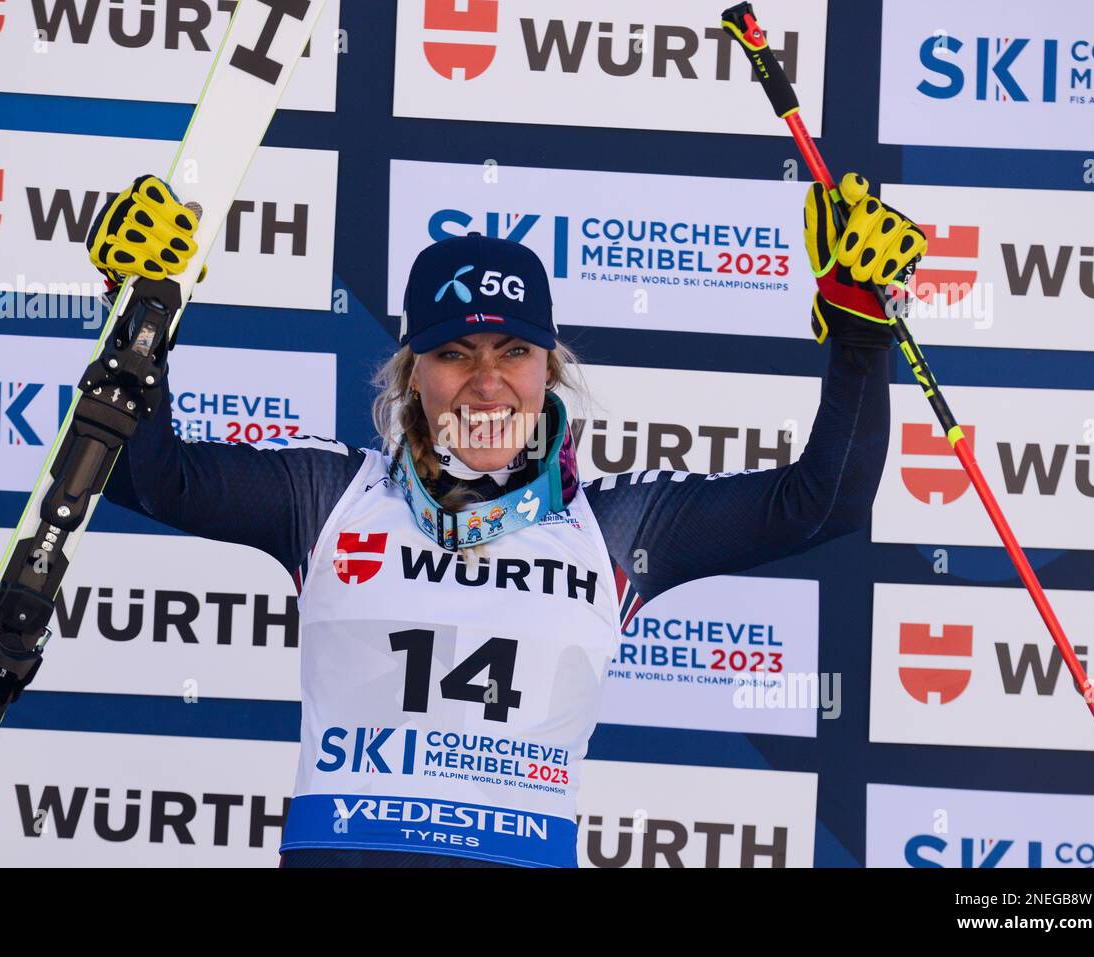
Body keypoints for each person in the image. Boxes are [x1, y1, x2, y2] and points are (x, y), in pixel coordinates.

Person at [88, 172, 927, 868]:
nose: (487, 383)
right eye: (455, 354)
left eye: (513, 353)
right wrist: (140, 309)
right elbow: (146, 478)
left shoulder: (618, 527)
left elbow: (825, 502)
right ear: (411, 373)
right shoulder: (332, 495)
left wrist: (858, 324)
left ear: (549, 368)